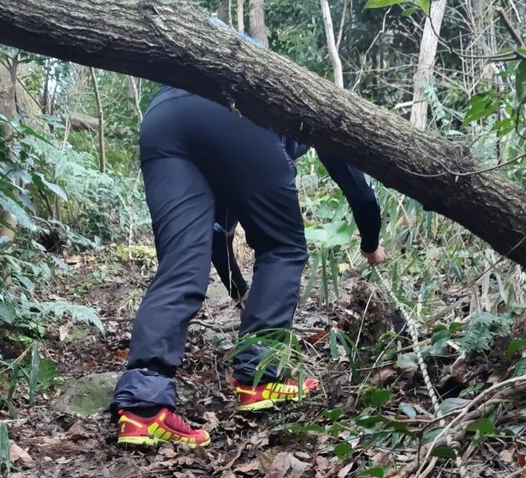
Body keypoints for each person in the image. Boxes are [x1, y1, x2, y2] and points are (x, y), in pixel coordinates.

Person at [114, 85, 386, 449]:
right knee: (283, 245)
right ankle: (261, 376)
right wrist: (371, 244)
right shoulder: (316, 105)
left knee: (179, 263)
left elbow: (216, 238)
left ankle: (143, 406)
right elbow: (359, 189)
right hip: (235, 104)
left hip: (162, 116)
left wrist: (240, 293)